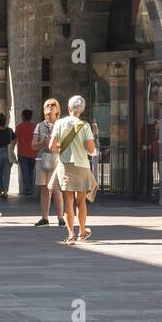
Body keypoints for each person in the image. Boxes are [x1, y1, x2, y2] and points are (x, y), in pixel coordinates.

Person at [49, 95, 99, 244]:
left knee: (68, 201)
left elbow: (52, 146)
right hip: (82, 165)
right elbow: (91, 149)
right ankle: (82, 234)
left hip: (65, 165)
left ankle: (71, 235)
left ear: (68, 108)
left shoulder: (59, 123)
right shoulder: (85, 126)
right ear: (82, 110)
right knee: (81, 201)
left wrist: (63, 149)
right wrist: (91, 151)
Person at [33, 99, 67, 228]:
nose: (50, 107)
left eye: (53, 105)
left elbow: (66, 143)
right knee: (44, 190)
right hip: (42, 159)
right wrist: (43, 142)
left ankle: (60, 218)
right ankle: (45, 218)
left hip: (57, 159)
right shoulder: (39, 126)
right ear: (44, 109)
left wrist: (56, 145)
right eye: (47, 105)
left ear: (57, 109)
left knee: (57, 190)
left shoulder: (62, 124)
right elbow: (33, 145)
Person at [14, 109, 36, 198]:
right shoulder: (34, 127)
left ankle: (28, 190)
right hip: (33, 153)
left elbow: (15, 139)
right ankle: (30, 189)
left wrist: (11, 150)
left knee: (25, 172)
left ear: (23, 116)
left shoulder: (19, 127)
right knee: (31, 172)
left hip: (22, 153)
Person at [0, 112, 14, 198]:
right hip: (7, 151)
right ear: (6, 121)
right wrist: (12, 146)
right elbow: (15, 139)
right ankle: (5, 191)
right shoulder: (10, 130)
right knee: (7, 173)